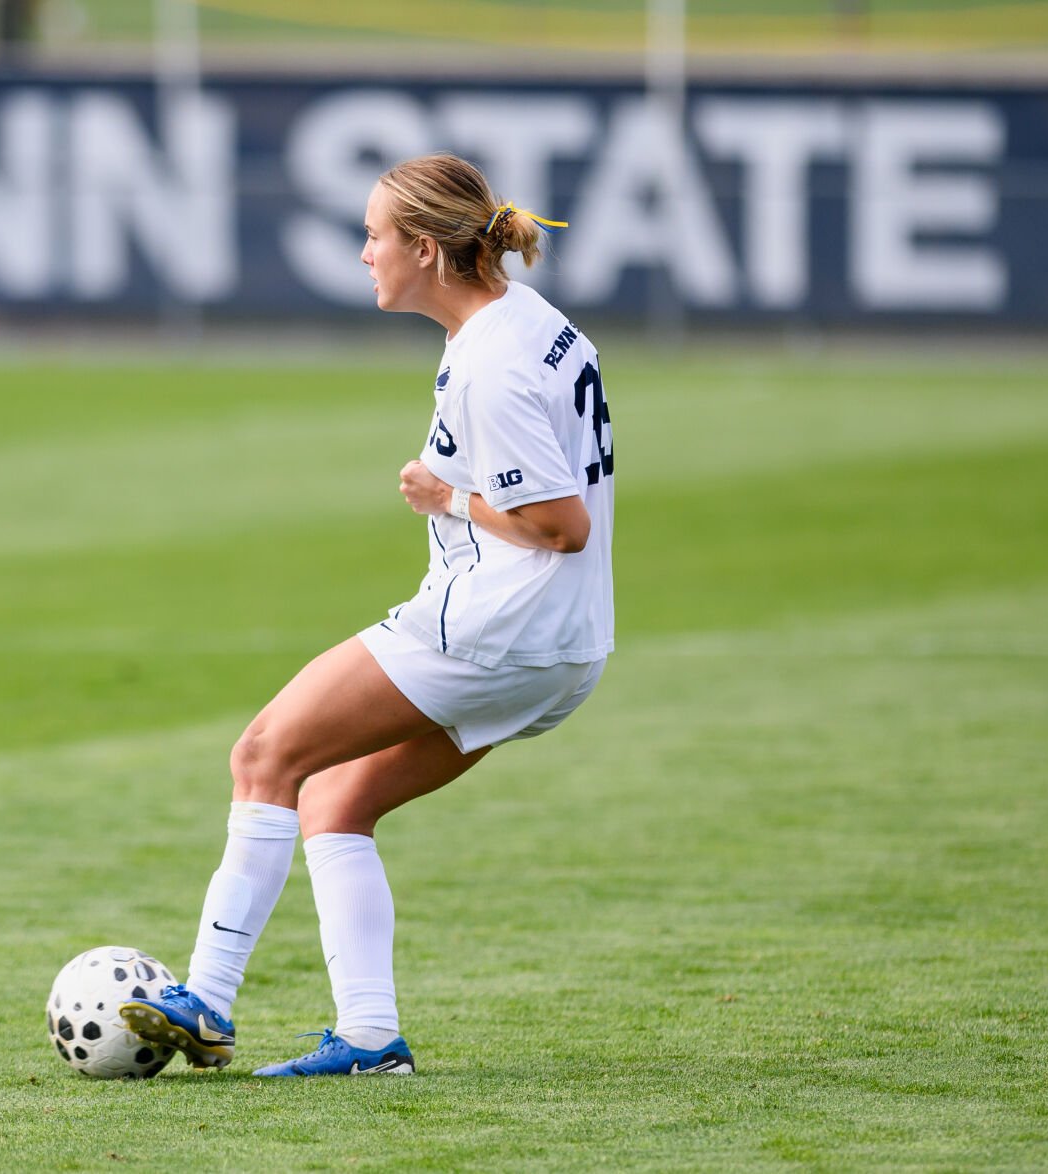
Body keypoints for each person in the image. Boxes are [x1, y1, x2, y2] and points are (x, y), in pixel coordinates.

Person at [119, 153, 614, 1077]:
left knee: (265, 754)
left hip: (492, 628)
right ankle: (367, 1038)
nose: (363, 254)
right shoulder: (532, 323)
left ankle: (207, 1001)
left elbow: (560, 524)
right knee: (337, 800)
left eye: (374, 236)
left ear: (423, 250)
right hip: (565, 646)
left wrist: (446, 498)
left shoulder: (491, 364)